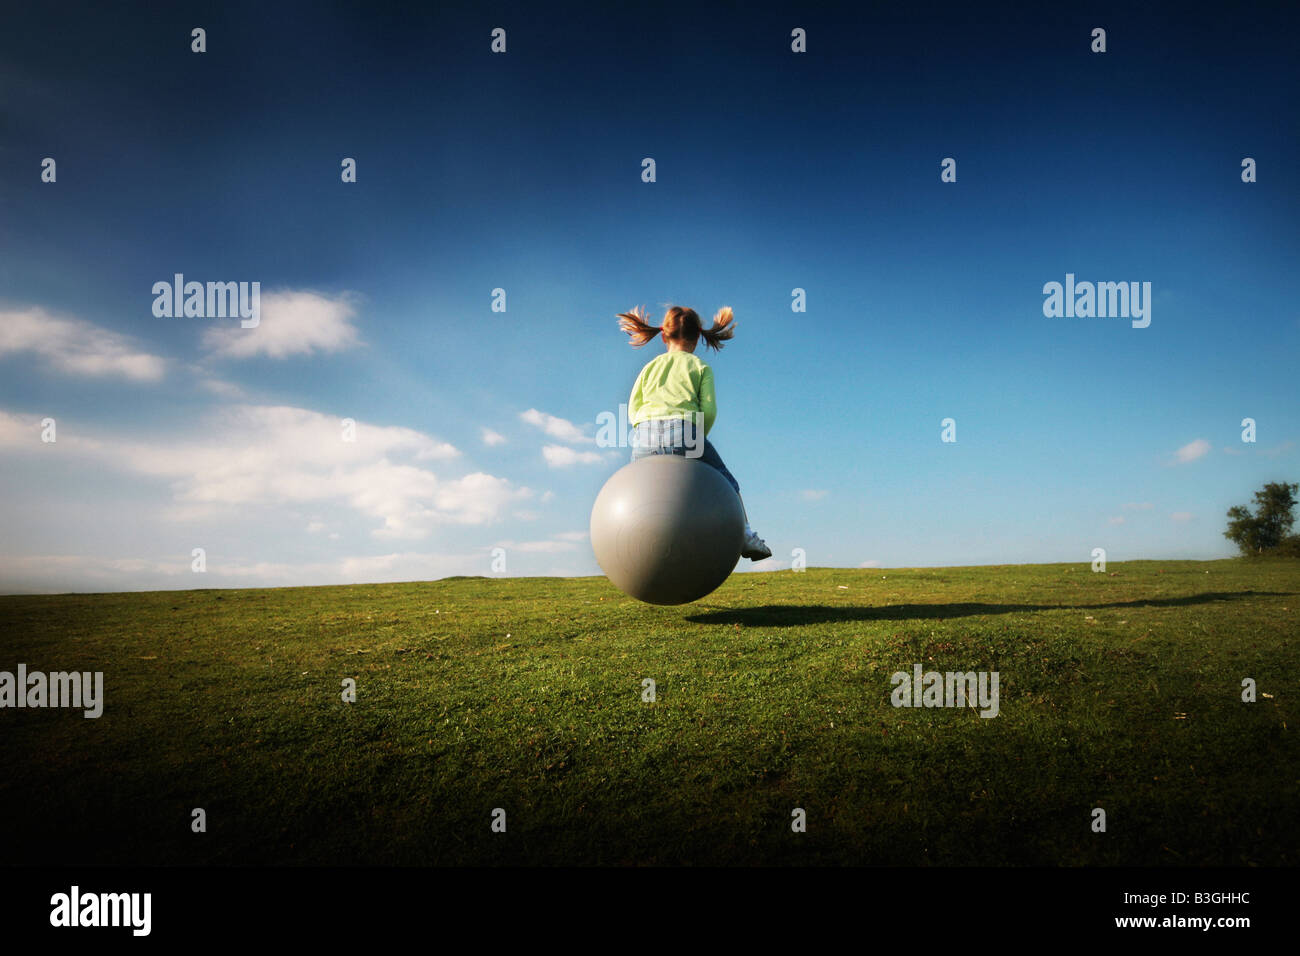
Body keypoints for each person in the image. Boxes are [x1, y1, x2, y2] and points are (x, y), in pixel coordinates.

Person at [617, 304, 771, 560]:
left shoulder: (649, 368)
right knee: (728, 482)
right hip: (684, 433)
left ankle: (633, 539)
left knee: (642, 491)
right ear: (698, 336)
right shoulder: (700, 367)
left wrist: (645, 429)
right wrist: (697, 439)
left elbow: (633, 408)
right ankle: (745, 536)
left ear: (664, 336)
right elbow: (708, 411)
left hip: (644, 437)